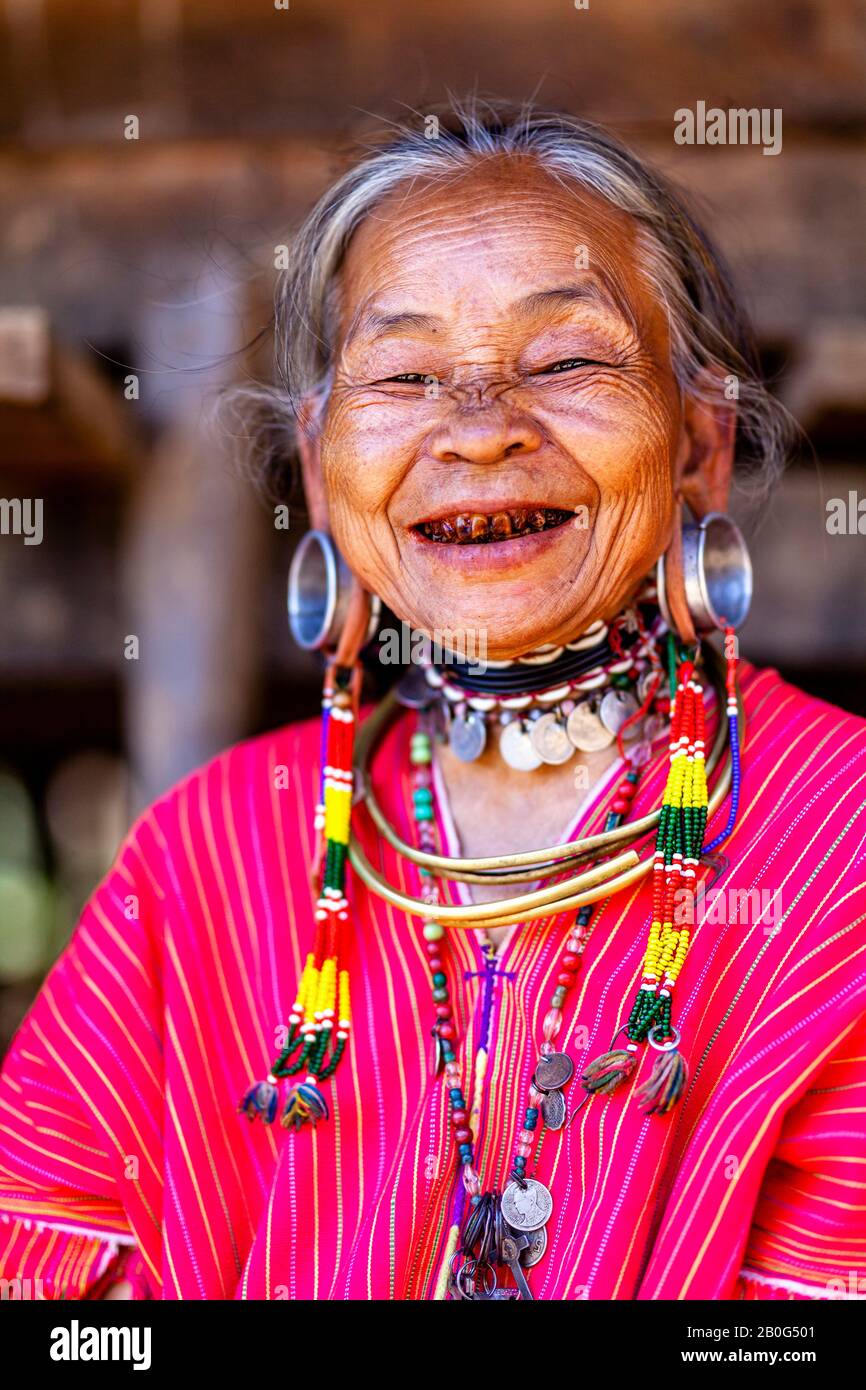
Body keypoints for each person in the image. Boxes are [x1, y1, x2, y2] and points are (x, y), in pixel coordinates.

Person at [2, 98, 865, 1302]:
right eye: (403, 375)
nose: (478, 432)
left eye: (564, 361)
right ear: (320, 467)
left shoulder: (837, 845)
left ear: (696, 443)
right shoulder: (203, 858)